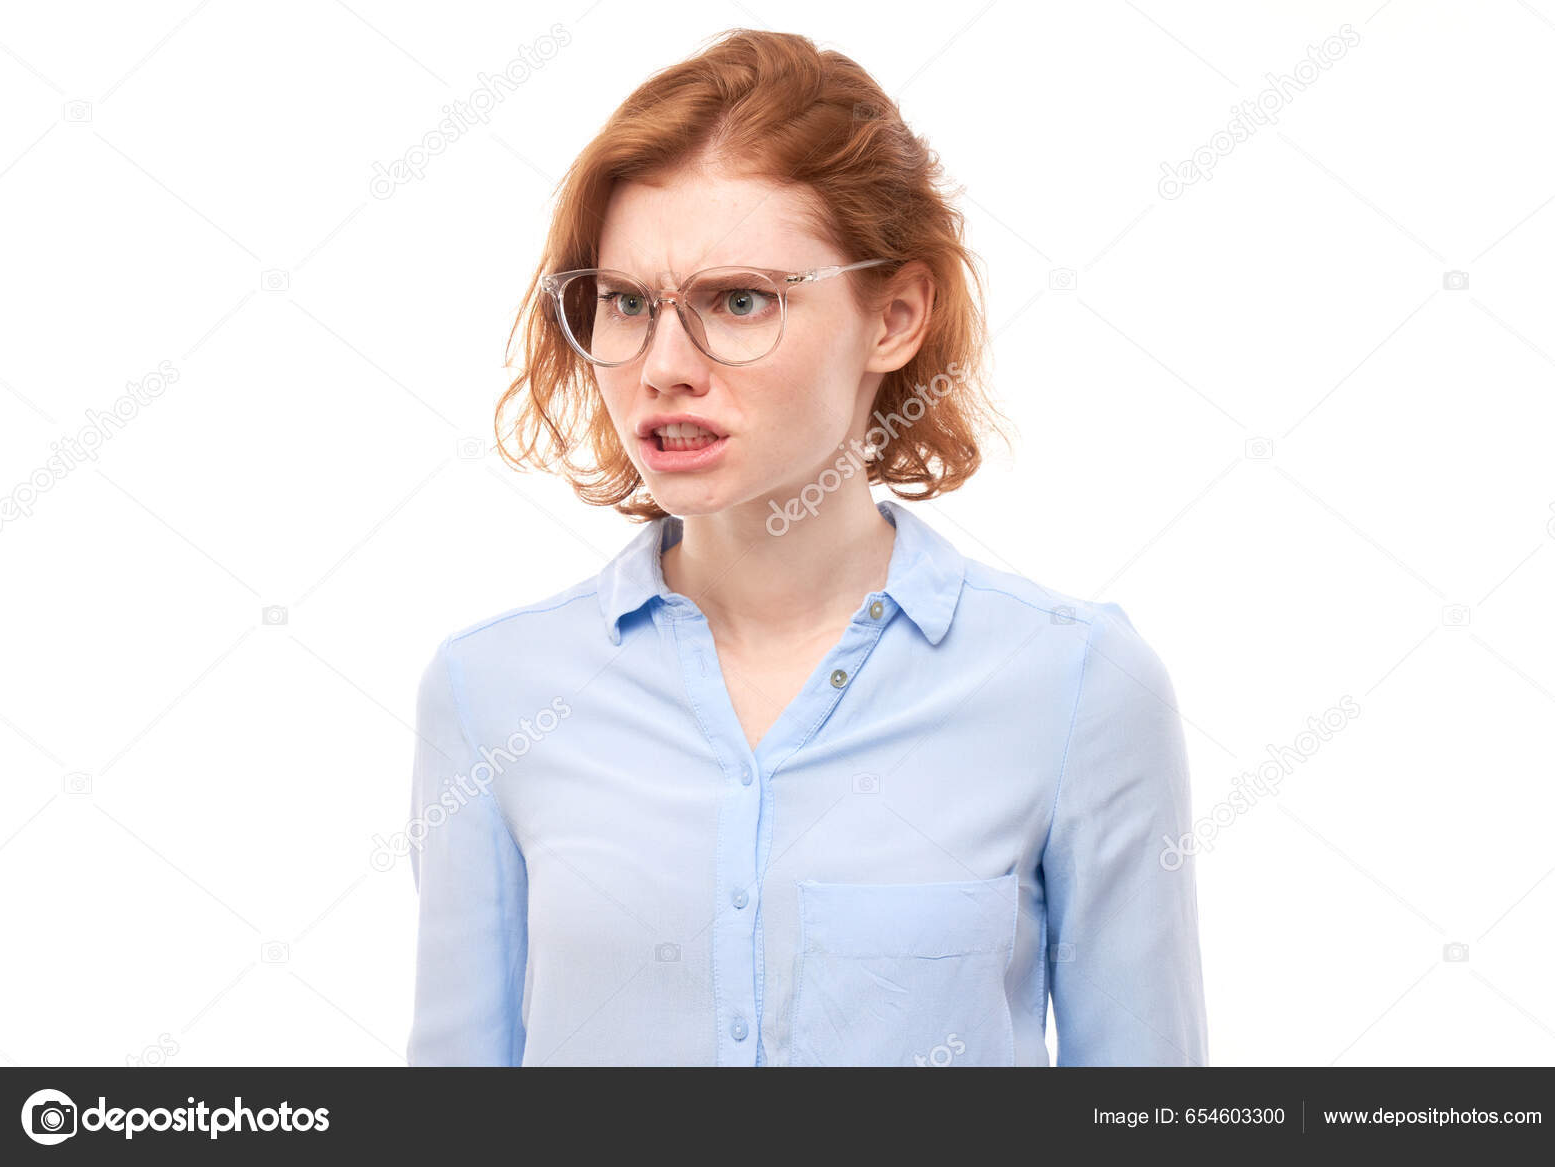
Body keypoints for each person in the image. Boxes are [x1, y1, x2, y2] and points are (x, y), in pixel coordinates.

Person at [405, 27, 1207, 1067]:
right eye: (628, 303)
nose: (664, 367)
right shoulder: (493, 693)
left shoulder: (1075, 687)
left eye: (740, 301)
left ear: (896, 316)